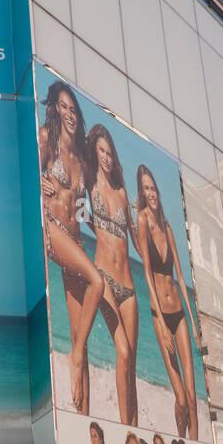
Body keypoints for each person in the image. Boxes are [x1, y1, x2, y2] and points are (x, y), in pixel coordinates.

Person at [38, 81, 103, 414]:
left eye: (73, 108)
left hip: (74, 238)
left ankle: (83, 415)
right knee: (98, 281)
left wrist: (109, 232)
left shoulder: (83, 160)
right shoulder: (47, 138)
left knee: (83, 336)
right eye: (63, 107)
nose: (69, 113)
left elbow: (86, 211)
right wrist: (40, 181)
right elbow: (28, 173)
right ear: (55, 109)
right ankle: (72, 355)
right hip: (52, 229)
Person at [132, 164, 199, 438]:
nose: (151, 193)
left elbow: (181, 278)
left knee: (193, 401)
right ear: (142, 191)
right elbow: (147, 272)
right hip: (161, 316)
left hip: (180, 315)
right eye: (146, 188)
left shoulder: (168, 227)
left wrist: (194, 325)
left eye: (153, 187)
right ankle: (182, 441)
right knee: (181, 400)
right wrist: (159, 322)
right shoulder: (142, 221)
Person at [84, 124, 138, 424]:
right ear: (95, 151)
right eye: (101, 151)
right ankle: (123, 426)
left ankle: (135, 428)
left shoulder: (121, 191)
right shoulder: (89, 181)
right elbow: (73, 204)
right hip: (104, 278)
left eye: (109, 152)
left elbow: (135, 239)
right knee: (124, 352)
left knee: (131, 366)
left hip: (130, 286)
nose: (106, 157)